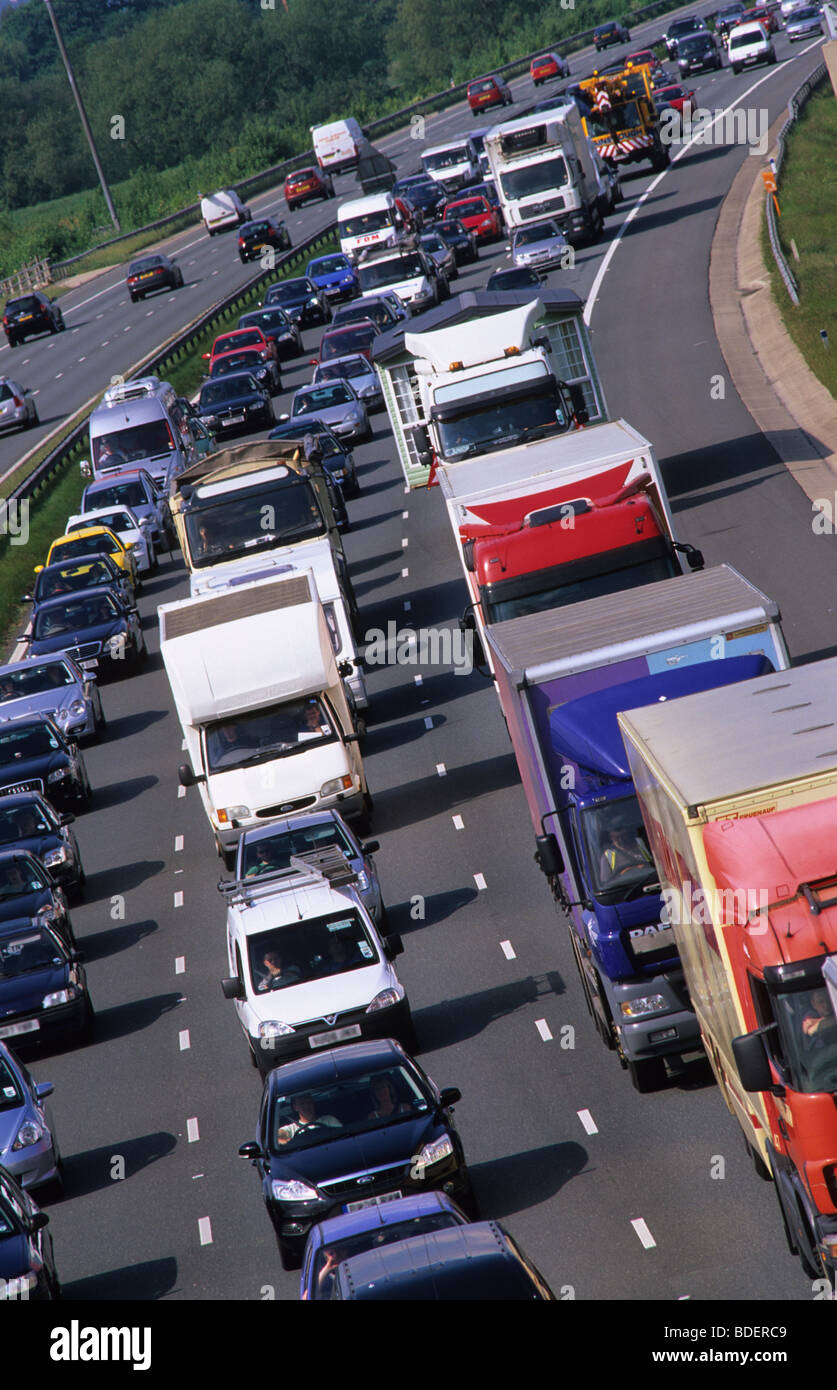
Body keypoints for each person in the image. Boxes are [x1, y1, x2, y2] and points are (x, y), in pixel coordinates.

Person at [599, 818, 653, 885]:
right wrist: (626, 871)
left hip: (650, 881)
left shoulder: (642, 844)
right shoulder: (607, 856)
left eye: (623, 836)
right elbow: (606, 883)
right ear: (611, 837)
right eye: (617, 838)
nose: (621, 840)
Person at [276, 1092, 341, 1145]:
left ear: (312, 1102)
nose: (306, 1106)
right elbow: (276, 1136)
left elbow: (340, 1137)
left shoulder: (329, 1120)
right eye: (302, 1103)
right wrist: (289, 1142)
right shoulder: (292, 1129)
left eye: (308, 1102)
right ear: (295, 1107)